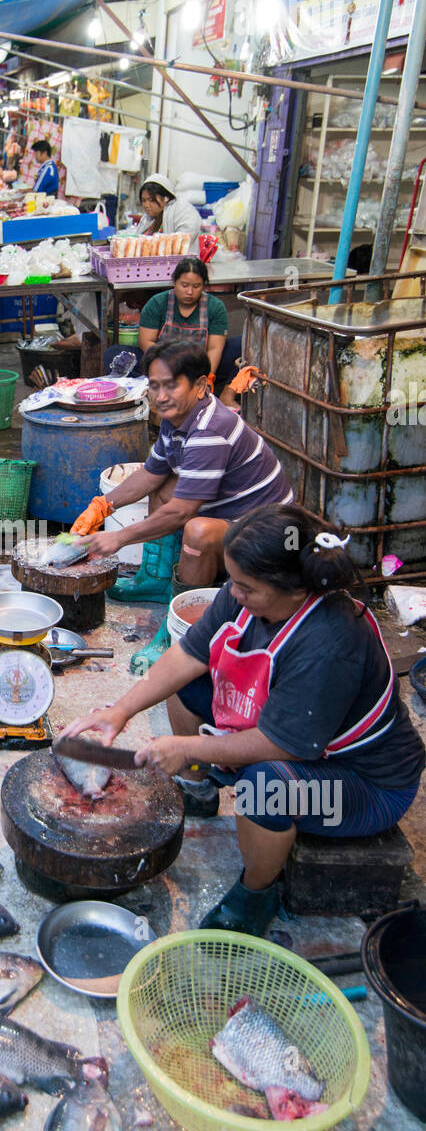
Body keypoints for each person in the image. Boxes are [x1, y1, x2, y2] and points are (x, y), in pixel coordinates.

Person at [61, 504, 425, 937]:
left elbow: (281, 746)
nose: (233, 593)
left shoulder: (332, 640)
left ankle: (256, 894)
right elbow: (189, 654)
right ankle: (199, 788)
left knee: (264, 786)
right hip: (297, 734)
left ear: (295, 589)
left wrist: (187, 748)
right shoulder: (248, 596)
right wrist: (119, 711)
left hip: (365, 785)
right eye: (233, 579)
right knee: (189, 685)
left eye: (246, 587)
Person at [73, 339, 293, 666]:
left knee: (197, 532)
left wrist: (118, 538)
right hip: (233, 517)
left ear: (202, 385)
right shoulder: (175, 420)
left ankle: (178, 629)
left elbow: (182, 512)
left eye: (172, 386)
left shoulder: (210, 429)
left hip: (269, 538)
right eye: (155, 386)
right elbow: (150, 474)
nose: (161, 397)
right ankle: (157, 578)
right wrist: (102, 505)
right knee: (163, 483)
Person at [135, 257, 238, 406]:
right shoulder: (158, 303)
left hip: (199, 364)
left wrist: (207, 377)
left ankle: (224, 393)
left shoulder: (215, 307)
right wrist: (168, 365)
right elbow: (145, 341)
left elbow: (215, 348)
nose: (190, 292)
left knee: (241, 345)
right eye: (184, 285)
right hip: (164, 362)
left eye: (196, 286)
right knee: (115, 354)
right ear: (174, 283)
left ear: (204, 286)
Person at [135, 172, 201, 246]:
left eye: (151, 200)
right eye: (144, 200)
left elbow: (185, 240)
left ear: (165, 197)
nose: (146, 205)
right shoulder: (148, 218)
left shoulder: (183, 211)